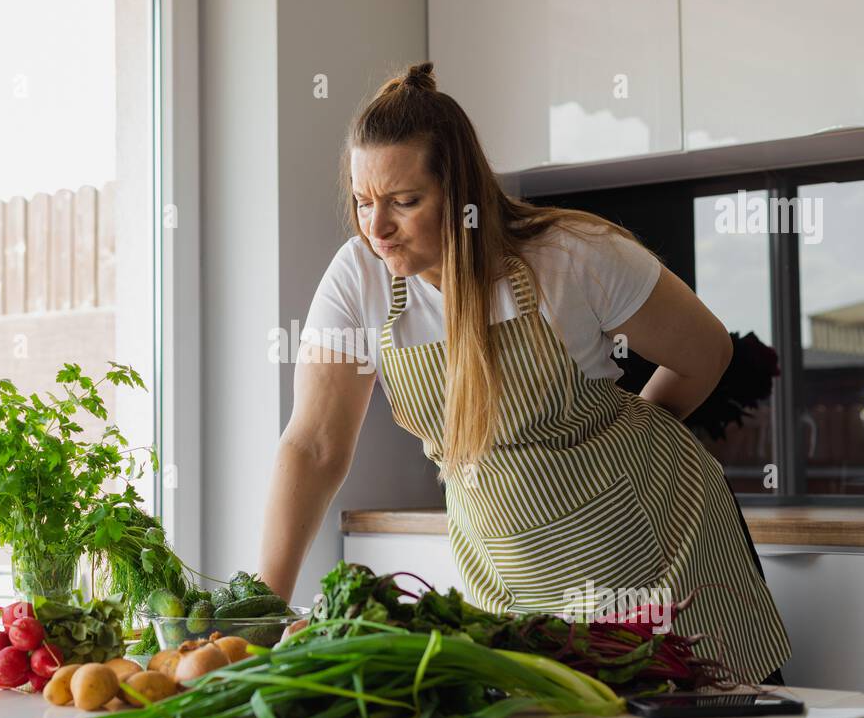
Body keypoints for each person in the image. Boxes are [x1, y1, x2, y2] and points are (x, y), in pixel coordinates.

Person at [257, 62, 790, 686]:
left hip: (650, 543)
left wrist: (620, 456)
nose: (376, 228)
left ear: (462, 194)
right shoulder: (359, 276)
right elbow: (315, 445)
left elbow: (706, 352)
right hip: (509, 570)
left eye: (404, 202)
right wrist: (260, 617)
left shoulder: (571, 254)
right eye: (363, 201)